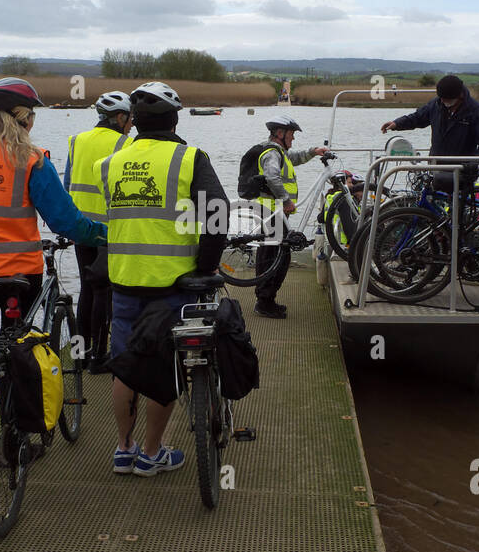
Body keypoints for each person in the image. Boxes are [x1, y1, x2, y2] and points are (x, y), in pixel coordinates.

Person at [0, 77, 107, 411]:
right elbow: (65, 222)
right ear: (23, 117)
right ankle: (17, 431)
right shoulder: (32, 160)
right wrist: (104, 235)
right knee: (19, 346)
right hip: (20, 274)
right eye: (32, 116)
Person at [96, 81, 227, 476]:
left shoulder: (110, 163)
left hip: (122, 280)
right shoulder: (189, 158)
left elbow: (114, 219)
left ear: (133, 122)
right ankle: (152, 452)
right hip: (172, 285)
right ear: (174, 118)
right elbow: (216, 215)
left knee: (125, 364)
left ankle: (124, 448)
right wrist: (206, 267)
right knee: (165, 366)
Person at [63, 91, 133, 372]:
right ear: (119, 117)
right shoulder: (123, 144)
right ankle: (98, 358)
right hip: (108, 229)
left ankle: (79, 354)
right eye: (130, 119)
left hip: (81, 227)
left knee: (87, 290)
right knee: (104, 292)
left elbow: (68, 182)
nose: (131, 125)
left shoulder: (76, 141)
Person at [245, 115, 328, 318]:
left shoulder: (279, 152)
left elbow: (295, 158)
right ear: (280, 134)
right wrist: (285, 200)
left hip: (273, 211)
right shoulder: (272, 154)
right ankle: (264, 302)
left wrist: (313, 152)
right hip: (271, 211)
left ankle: (266, 299)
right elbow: (272, 176)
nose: (293, 138)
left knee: (274, 255)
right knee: (276, 257)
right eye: (291, 134)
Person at [381, 74, 479, 194]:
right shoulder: (436, 104)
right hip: (435, 166)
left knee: (454, 208)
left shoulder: (475, 110)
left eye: (446, 99)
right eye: (441, 98)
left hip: (460, 171)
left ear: (459, 96)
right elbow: (417, 118)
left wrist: (473, 164)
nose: (442, 101)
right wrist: (396, 124)